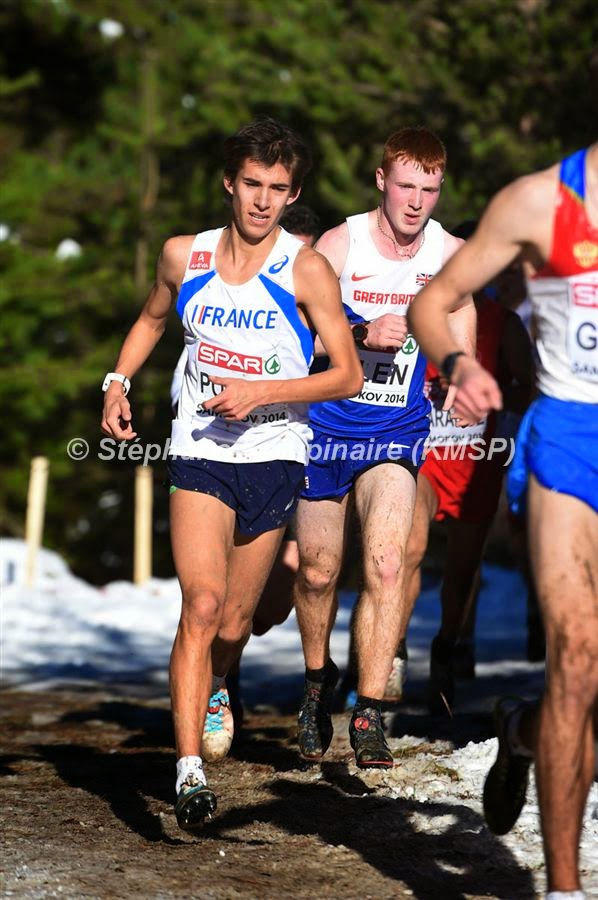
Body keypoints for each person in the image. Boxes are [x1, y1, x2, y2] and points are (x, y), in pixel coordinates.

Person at [101, 117, 363, 833]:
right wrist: (117, 381)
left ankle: (219, 681)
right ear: (229, 182)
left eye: (278, 190)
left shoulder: (306, 268)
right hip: (199, 448)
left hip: (274, 453)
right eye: (252, 184)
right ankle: (187, 771)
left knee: (240, 620)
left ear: (293, 193)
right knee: (204, 604)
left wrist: (263, 392)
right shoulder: (182, 256)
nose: (262, 201)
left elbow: (343, 374)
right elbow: (153, 320)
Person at [407, 144, 598, 899]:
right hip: (571, 442)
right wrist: (460, 364)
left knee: (581, 704)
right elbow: (432, 302)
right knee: (578, 661)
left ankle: (521, 732)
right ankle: (561, 889)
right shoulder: (538, 202)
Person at [292, 126, 476, 769]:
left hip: (395, 435)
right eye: (405, 185)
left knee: (388, 565)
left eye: (429, 189)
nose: (416, 201)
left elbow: (464, 327)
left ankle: (368, 710)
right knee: (316, 572)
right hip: (324, 429)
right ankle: (318, 682)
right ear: (381, 180)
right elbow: (297, 336)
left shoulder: (449, 253)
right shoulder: (341, 243)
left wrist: (458, 370)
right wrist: (363, 331)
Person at [397, 257, 534, 714]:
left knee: (461, 571)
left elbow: (528, 389)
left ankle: (446, 646)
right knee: (408, 550)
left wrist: (485, 388)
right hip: (424, 457)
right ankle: (392, 647)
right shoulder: (419, 318)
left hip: (476, 461)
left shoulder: (503, 323)